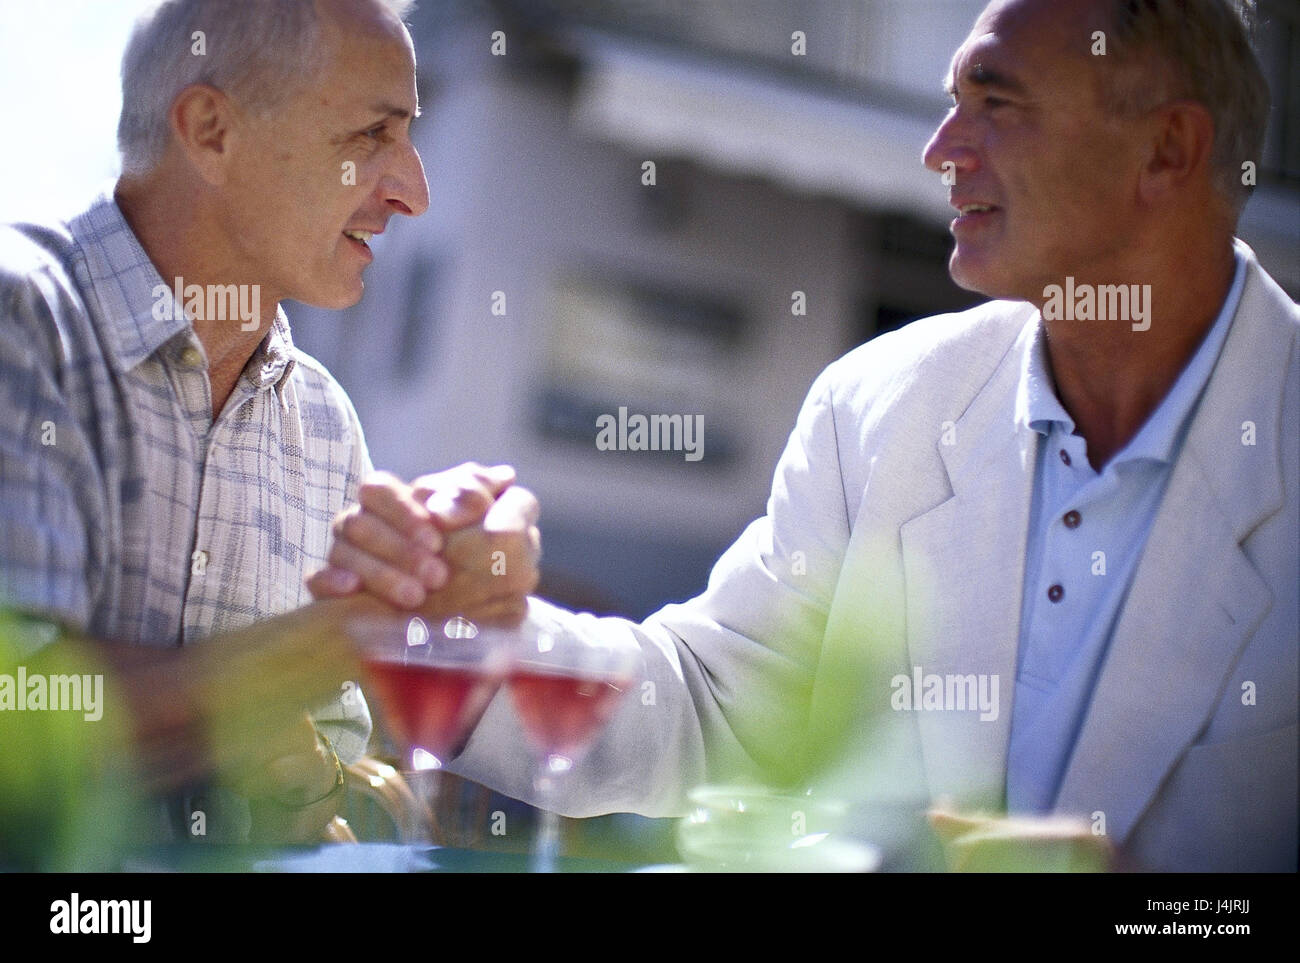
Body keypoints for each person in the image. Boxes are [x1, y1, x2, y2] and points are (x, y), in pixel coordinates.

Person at [316, 0, 1298, 871]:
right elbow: (708, 705)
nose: (942, 146)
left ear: (1167, 150)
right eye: (953, 100)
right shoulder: (883, 402)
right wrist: (467, 626)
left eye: (997, 103)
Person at [0, 0, 540, 847]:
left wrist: (330, 778)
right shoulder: (23, 323)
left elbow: (319, 788)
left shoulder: (326, 424)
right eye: (370, 136)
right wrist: (355, 629)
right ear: (211, 130)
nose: (413, 192)